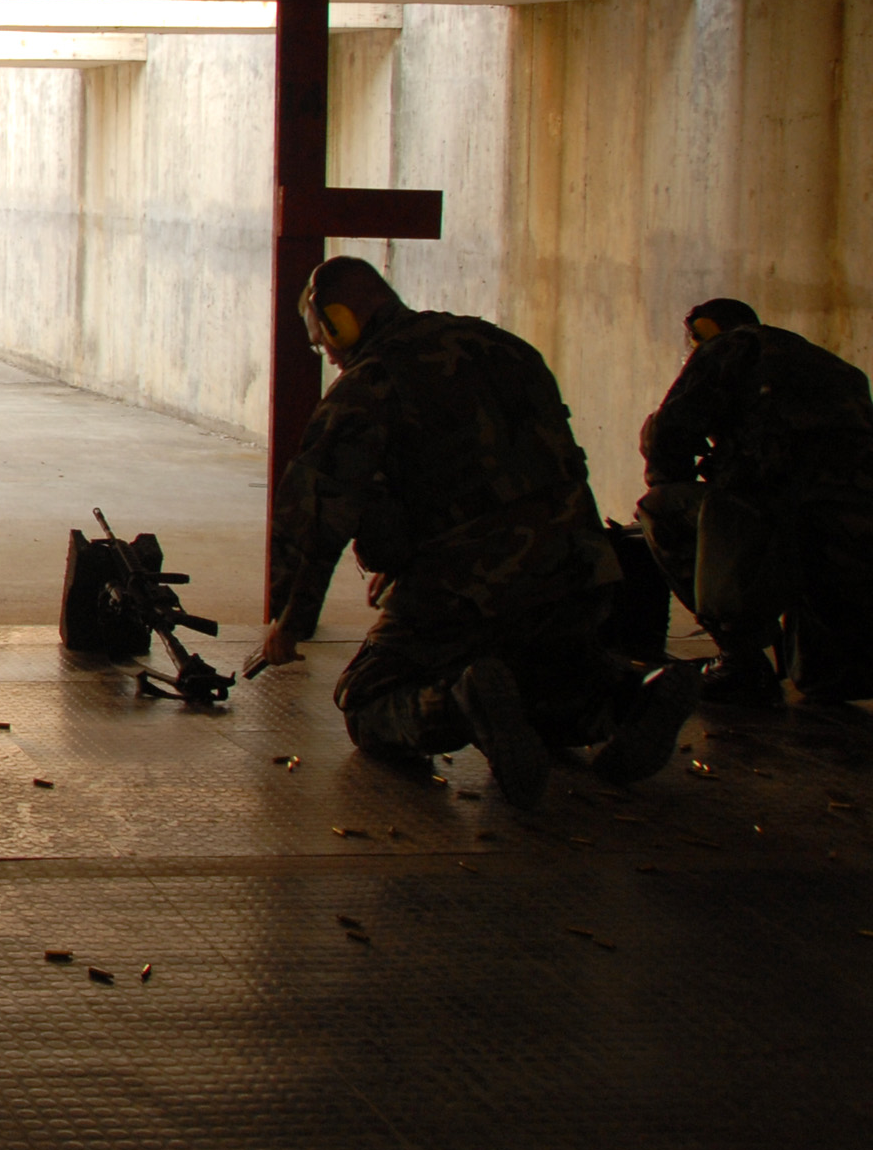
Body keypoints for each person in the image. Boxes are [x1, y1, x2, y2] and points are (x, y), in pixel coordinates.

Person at [247, 259, 696, 810]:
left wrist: (290, 623)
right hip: (575, 574)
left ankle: (462, 701)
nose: (332, 357)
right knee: (552, 681)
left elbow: (317, 516)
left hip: (464, 589)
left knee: (366, 700)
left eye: (325, 344)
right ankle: (632, 698)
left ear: (338, 322)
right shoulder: (503, 348)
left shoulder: (370, 383)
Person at [634, 298, 873, 706]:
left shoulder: (727, 349)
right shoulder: (832, 367)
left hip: (768, 519)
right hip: (853, 531)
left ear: (705, 331)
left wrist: (698, 508)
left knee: (659, 508)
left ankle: (739, 656)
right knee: (822, 682)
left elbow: (667, 437)